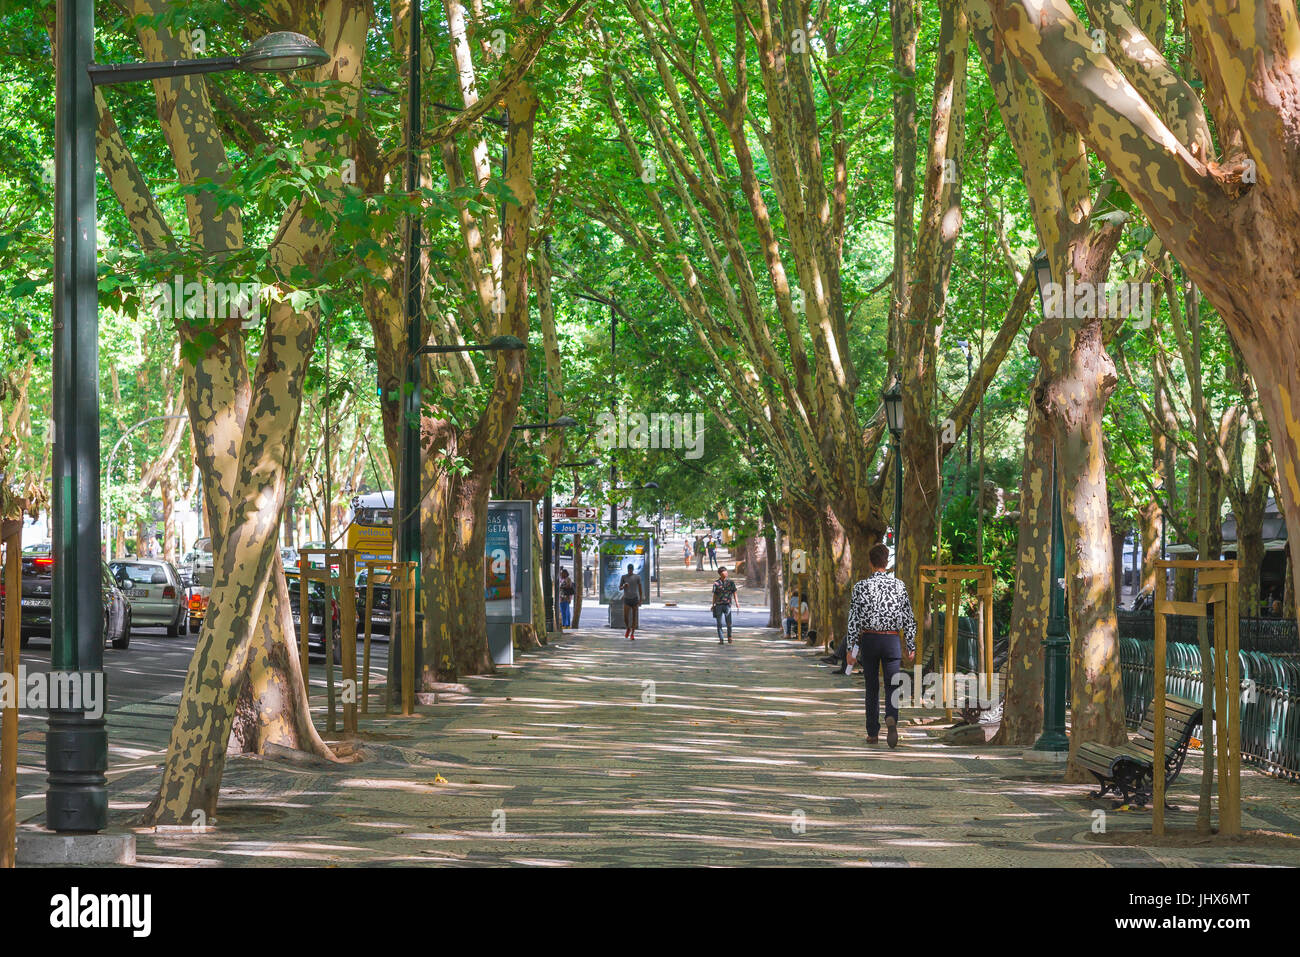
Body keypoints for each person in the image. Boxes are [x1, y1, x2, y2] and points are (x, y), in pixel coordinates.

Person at [845, 543, 917, 749]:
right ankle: (892, 718)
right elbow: (908, 618)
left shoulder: (860, 587)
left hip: (870, 640)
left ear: (870, 563)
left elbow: (854, 620)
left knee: (872, 687)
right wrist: (910, 645)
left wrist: (851, 648)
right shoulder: (899, 586)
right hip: (892, 640)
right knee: (892, 684)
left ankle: (872, 733)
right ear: (887, 562)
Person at [711, 565, 740, 644]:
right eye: (724, 572)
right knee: (719, 623)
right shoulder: (716, 583)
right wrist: (713, 605)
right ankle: (721, 639)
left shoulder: (731, 583)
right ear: (720, 574)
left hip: (727, 605)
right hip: (718, 605)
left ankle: (729, 637)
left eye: (726, 572)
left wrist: (737, 603)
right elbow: (715, 595)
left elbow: (734, 593)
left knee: (729, 623)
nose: (726, 573)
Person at [619, 563, 643, 640]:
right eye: (629, 569)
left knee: (634, 617)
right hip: (627, 599)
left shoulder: (637, 577)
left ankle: (632, 634)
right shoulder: (624, 577)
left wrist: (640, 599)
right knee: (625, 617)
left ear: (633, 569)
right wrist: (624, 586)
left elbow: (640, 588)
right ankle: (628, 628)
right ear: (627, 569)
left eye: (631, 569)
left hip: (635, 599)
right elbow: (620, 588)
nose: (630, 571)